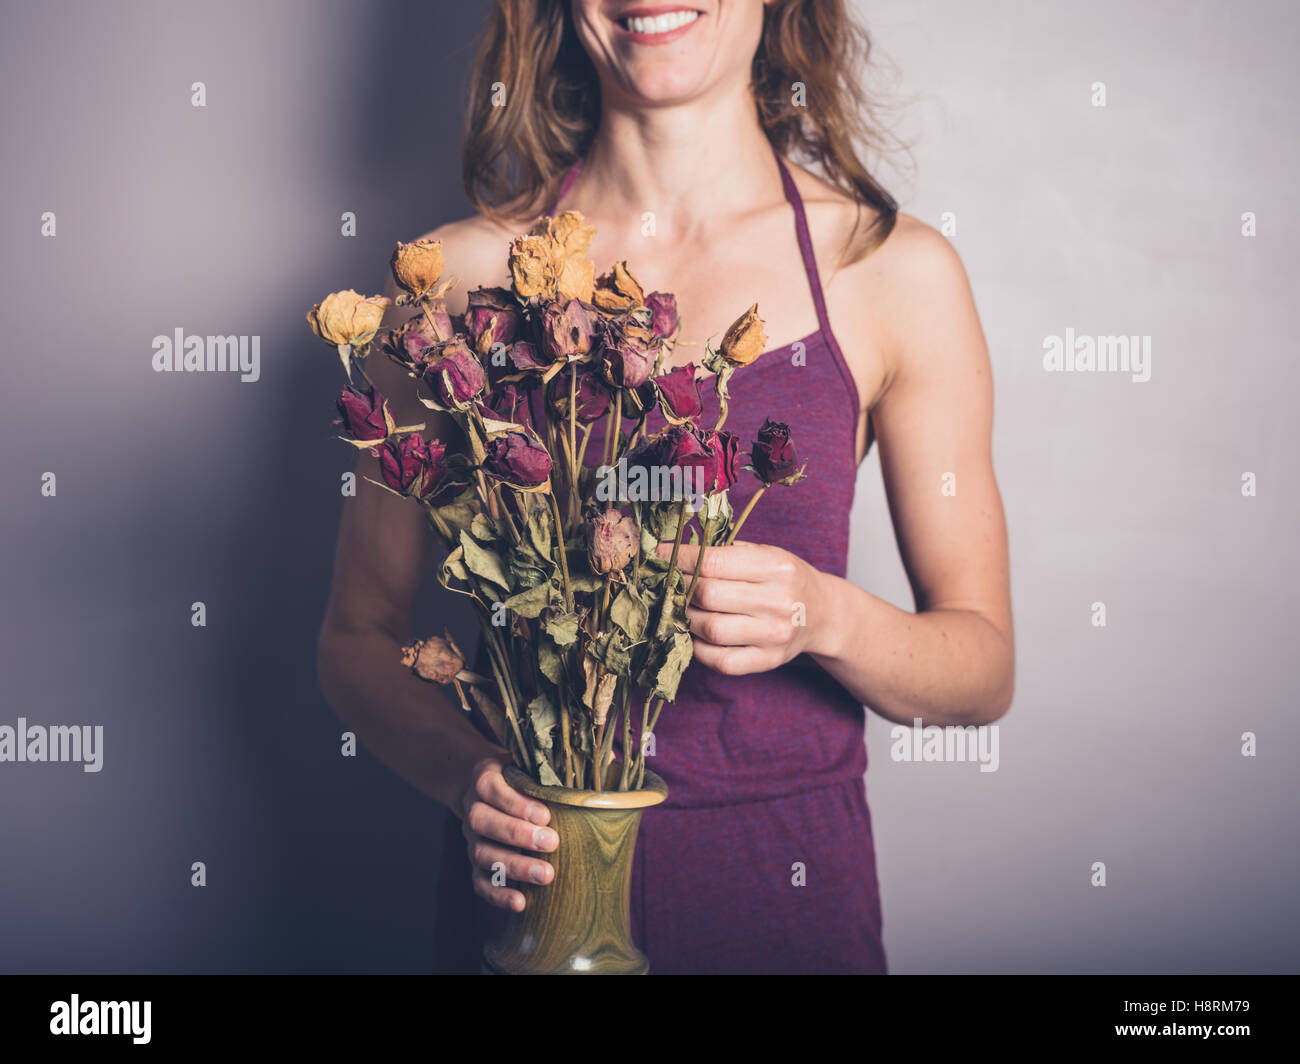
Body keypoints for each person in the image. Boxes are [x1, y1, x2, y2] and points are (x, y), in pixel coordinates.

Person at [317, 0, 1013, 974]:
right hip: (531, 900)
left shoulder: (891, 273)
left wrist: (824, 615)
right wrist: (466, 773)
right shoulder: (451, 284)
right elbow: (356, 636)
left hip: (782, 895)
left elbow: (980, 667)